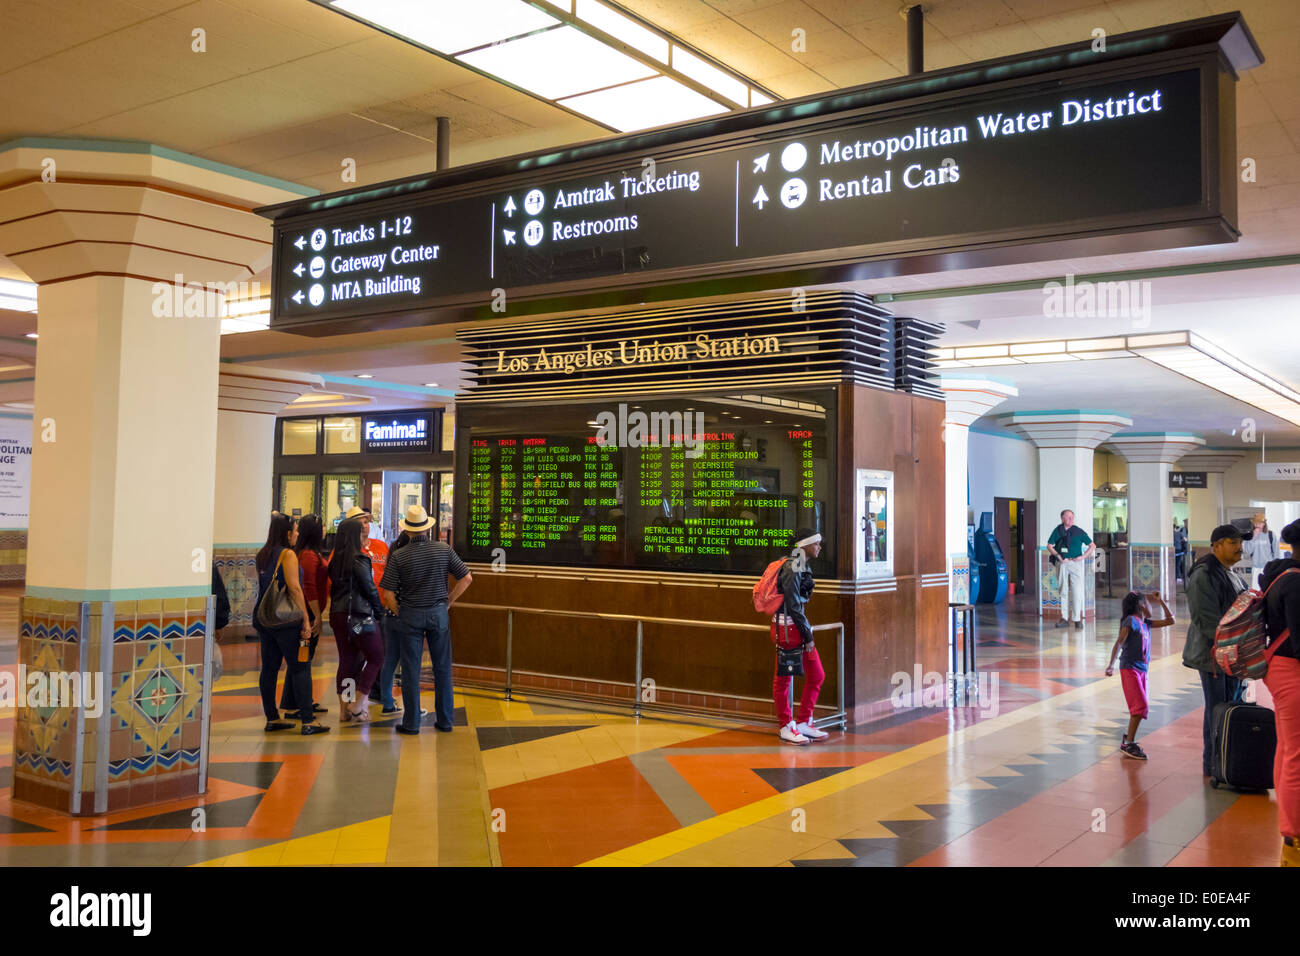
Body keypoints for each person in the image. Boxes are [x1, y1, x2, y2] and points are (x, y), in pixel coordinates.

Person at [381, 505, 471, 735]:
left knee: (411, 670)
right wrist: (448, 602)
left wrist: (400, 611)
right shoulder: (443, 549)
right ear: (427, 528)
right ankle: (445, 721)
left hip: (410, 614)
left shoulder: (399, 556)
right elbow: (466, 578)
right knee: (442, 668)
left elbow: (387, 594)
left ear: (408, 531)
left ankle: (411, 724)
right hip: (438, 613)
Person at [1184, 523, 1250, 777]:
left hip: (1228, 654)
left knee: (1226, 707)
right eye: (1233, 543)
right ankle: (1213, 763)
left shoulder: (1228, 572)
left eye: (1240, 543)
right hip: (1213, 655)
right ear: (1217, 545)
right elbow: (1205, 619)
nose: (1239, 548)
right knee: (1217, 709)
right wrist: (1228, 648)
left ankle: (1223, 759)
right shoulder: (1204, 574)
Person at [254, 513, 329, 736]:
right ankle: (308, 721)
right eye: (295, 530)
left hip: (265, 619)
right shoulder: (287, 554)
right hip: (288, 622)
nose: (297, 534)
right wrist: (306, 619)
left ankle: (272, 718)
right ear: (287, 533)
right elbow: (295, 589)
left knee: (269, 669)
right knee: (301, 666)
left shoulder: (262, 554)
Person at [1262, 519, 1300, 866]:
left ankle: (1289, 825)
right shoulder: (1296, 583)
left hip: (1279, 668)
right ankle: (1294, 835)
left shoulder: (1280, 576)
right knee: (1296, 756)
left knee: (1288, 747)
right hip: (1292, 672)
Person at [328, 517, 386, 722]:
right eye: (361, 533)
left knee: (347, 660)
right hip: (359, 615)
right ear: (354, 536)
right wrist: (380, 612)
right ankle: (358, 703)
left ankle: (344, 710)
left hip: (337, 614)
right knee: (377, 656)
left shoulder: (335, 560)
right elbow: (370, 589)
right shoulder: (359, 559)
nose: (365, 535)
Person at [774, 528, 828, 745]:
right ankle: (786, 726)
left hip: (796, 628)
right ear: (804, 545)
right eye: (816, 543)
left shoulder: (800, 563)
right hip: (788, 629)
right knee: (784, 679)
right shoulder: (793, 565)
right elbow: (794, 606)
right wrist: (808, 636)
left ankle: (804, 721)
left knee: (817, 674)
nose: (819, 547)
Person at [1105, 591, 1174, 760]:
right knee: (1140, 706)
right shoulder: (1131, 621)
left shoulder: (1146, 623)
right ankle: (1129, 743)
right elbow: (1120, 641)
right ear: (1142, 606)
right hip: (1130, 669)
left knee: (1139, 708)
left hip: (1143, 670)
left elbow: (1171, 620)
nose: (1151, 606)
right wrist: (1111, 664)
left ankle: (1128, 739)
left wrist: (1161, 601)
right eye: (1149, 603)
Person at [281, 514, 328, 718]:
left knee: (302, 659)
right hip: (308, 614)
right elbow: (308, 587)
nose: (325, 529)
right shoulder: (308, 555)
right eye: (322, 526)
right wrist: (316, 616)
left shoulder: (309, 553)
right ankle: (298, 705)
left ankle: (299, 701)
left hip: (309, 613)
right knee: (302, 660)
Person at [370, 529, 410, 715]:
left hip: (389, 616)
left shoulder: (391, 562)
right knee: (409, 661)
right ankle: (411, 707)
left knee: (389, 661)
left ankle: (387, 701)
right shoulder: (407, 563)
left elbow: (386, 592)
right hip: (405, 617)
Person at [1046, 509, 1094, 629]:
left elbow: (1092, 546)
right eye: (1067, 517)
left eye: (1072, 517)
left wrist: (1082, 556)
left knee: (1077, 591)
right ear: (1062, 519)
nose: (1070, 519)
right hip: (1062, 563)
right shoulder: (1057, 531)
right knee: (1063, 590)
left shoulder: (1078, 531)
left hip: (1075, 564)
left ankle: (1077, 619)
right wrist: (1058, 556)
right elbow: (1049, 545)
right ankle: (1064, 618)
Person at [1244, 514, 1282, 589]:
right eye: (1256, 523)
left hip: (1269, 568)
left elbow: (1276, 552)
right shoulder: (1249, 535)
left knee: (1269, 589)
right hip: (1255, 568)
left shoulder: (1271, 534)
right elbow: (1248, 550)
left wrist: (1276, 568)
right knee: (1256, 590)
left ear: (1264, 523)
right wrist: (1253, 537)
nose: (1257, 525)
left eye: (1260, 523)